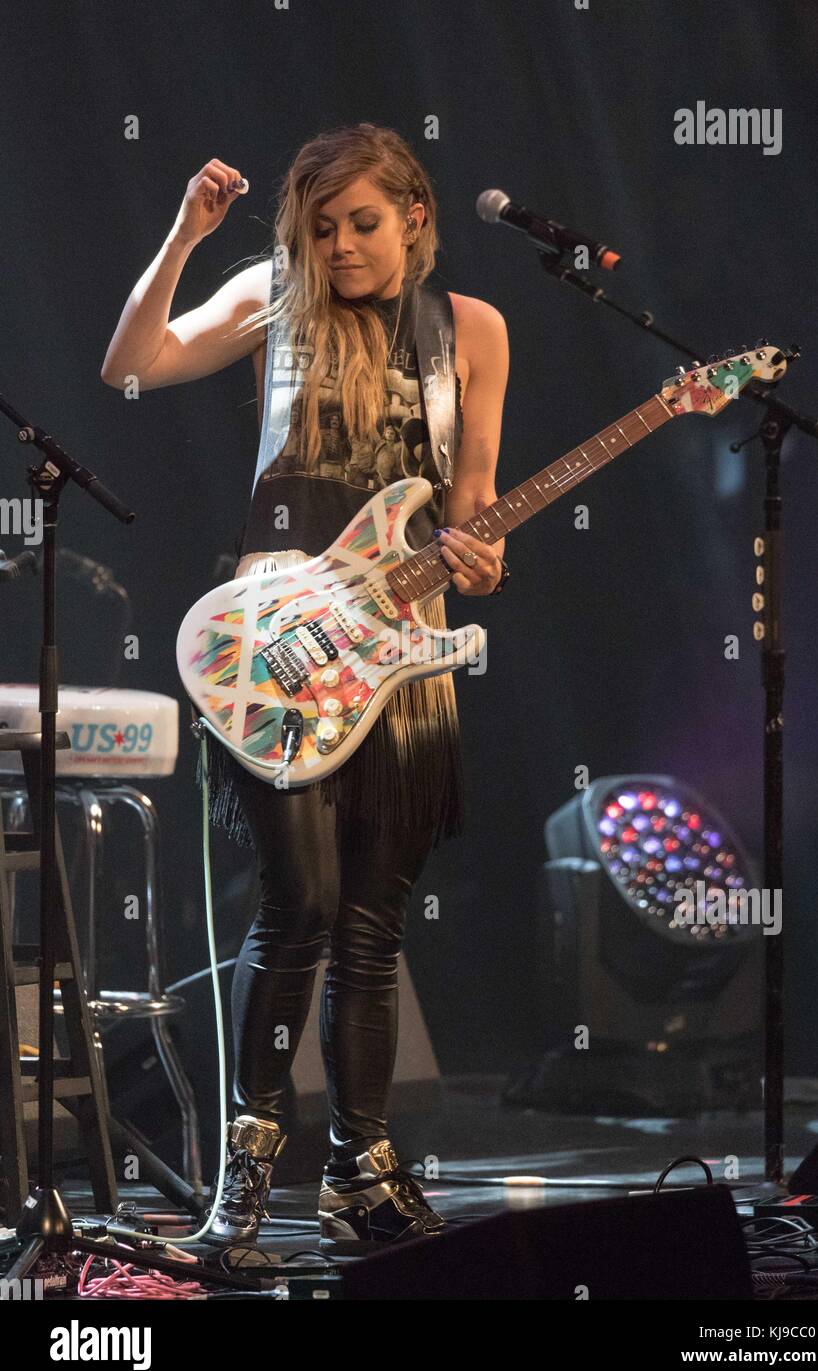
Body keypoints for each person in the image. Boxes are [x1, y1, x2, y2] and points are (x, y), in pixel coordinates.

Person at [101, 123, 510, 1254]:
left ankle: (361, 1172)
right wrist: (185, 237)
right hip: (275, 641)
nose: (338, 246)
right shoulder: (271, 296)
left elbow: (471, 498)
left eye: (362, 223)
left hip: (402, 648)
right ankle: (247, 1172)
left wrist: (483, 552)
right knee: (300, 911)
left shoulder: (472, 330)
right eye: (321, 226)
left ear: (415, 216)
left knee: (374, 930)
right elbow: (132, 366)